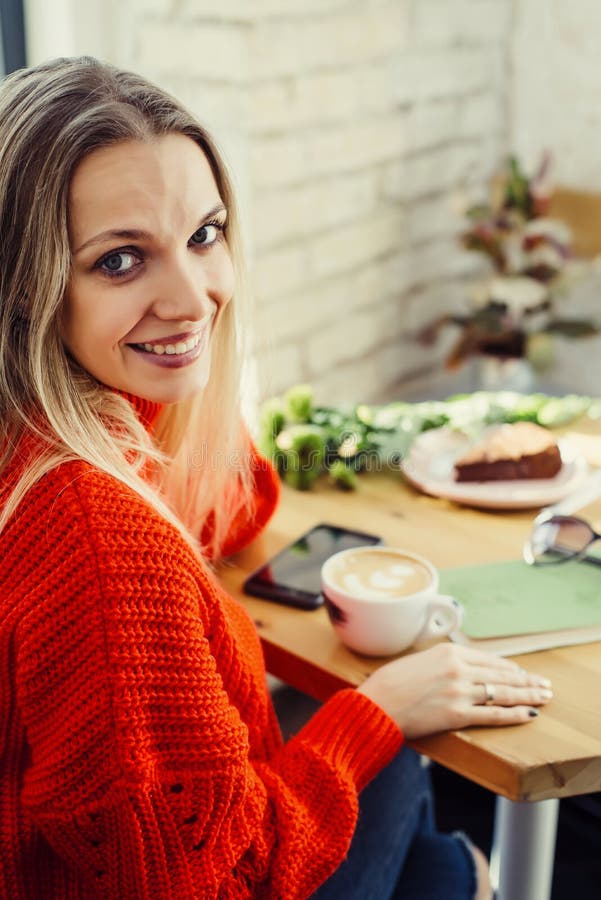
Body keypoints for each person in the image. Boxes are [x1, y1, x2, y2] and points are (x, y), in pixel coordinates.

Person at [0, 57, 553, 900]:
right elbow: (207, 884)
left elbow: (239, 498)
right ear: (26, 287)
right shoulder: (98, 532)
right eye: (119, 261)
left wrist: (187, 396)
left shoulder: (40, 436)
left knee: (416, 843)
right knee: (394, 752)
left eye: (204, 234)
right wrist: (377, 715)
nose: (193, 298)